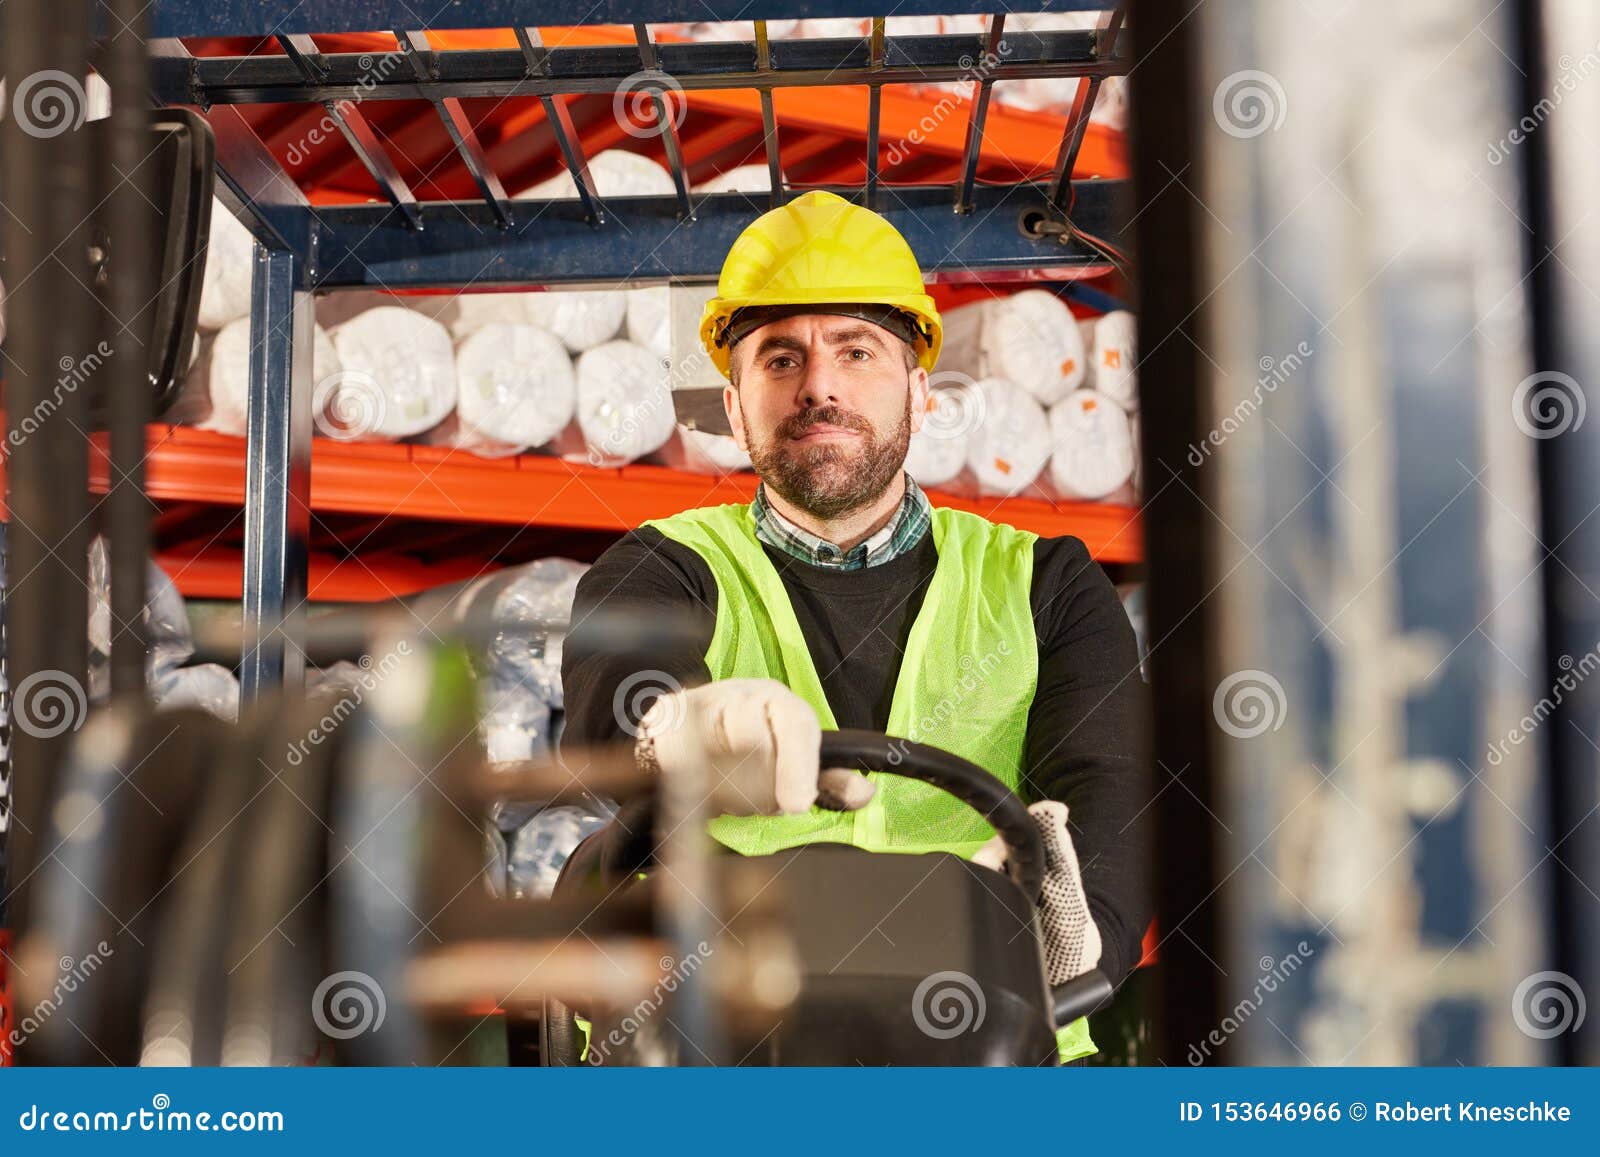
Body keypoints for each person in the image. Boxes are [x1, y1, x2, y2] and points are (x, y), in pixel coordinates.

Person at [559, 190, 1151, 1063]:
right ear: (734, 406)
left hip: (983, 1052)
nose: (820, 386)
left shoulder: (1047, 585)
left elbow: (1113, 794)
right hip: (708, 1045)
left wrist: (1059, 934)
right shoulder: (660, 565)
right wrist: (677, 732)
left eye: (856, 350)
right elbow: (616, 704)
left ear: (920, 393)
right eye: (780, 358)